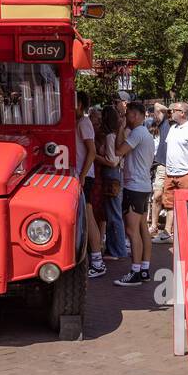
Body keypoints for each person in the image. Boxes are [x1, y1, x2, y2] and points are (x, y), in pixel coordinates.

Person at [114, 101, 155, 286]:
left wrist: (120, 129)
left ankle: (135, 271)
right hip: (144, 185)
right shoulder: (145, 133)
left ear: (137, 115)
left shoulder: (137, 133)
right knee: (142, 229)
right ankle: (144, 268)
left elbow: (118, 150)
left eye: (129, 115)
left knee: (132, 230)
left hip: (135, 187)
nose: (126, 118)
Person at [159, 102, 188, 247]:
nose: (170, 113)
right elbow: (159, 107)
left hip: (186, 174)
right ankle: (167, 233)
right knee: (169, 205)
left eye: (173, 111)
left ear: (182, 113)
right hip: (171, 173)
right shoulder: (173, 128)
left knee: (187, 206)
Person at [90, 102, 125, 276]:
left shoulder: (111, 136)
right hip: (113, 174)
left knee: (113, 213)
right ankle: (116, 248)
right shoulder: (113, 135)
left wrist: (93, 155)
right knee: (112, 213)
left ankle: (117, 249)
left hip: (111, 174)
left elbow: (112, 161)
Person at [73, 91, 101, 268]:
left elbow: (92, 151)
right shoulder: (78, 122)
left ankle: (97, 261)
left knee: (89, 216)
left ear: (80, 104)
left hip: (84, 176)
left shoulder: (83, 122)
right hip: (80, 175)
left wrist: (82, 175)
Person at [149, 102, 172, 243]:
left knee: (170, 198)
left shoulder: (179, 125)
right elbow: (157, 105)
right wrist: (170, 110)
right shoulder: (165, 123)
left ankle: (168, 230)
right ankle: (153, 225)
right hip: (163, 164)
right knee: (157, 195)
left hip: (176, 166)